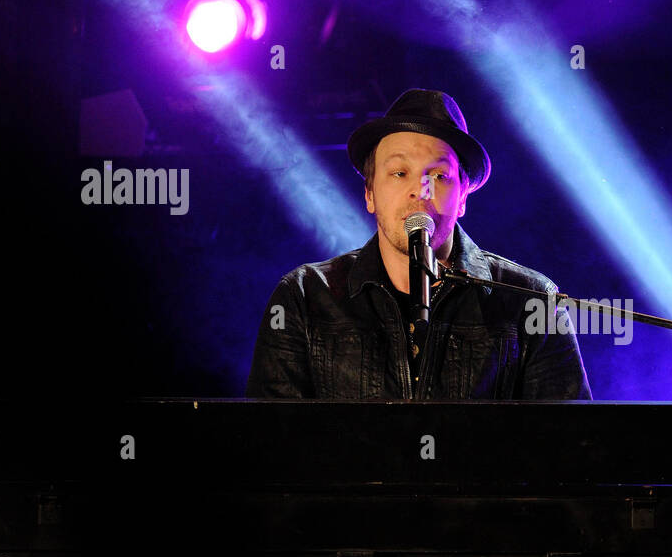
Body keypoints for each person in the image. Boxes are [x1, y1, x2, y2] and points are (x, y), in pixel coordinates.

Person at [245, 88, 592, 400]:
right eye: (399, 173)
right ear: (370, 194)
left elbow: (572, 453)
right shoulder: (304, 297)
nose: (420, 190)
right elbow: (272, 450)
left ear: (462, 200)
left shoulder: (531, 301)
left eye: (439, 176)